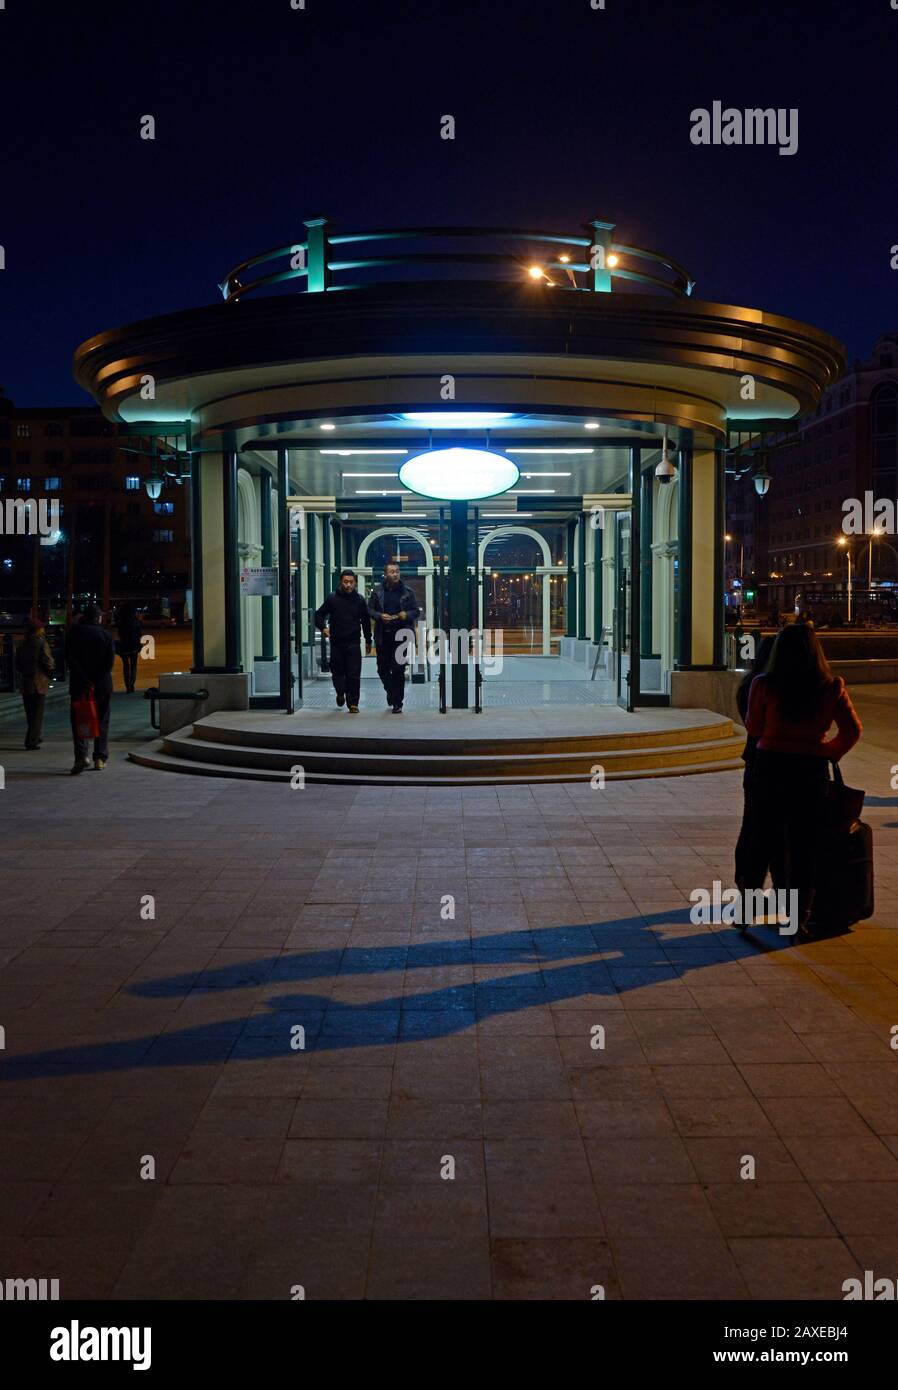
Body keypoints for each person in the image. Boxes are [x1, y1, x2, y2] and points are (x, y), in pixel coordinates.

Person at [742, 622, 862, 934]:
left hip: (770, 768)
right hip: (810, 772)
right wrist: (828, 752)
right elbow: (852, 730)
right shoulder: (831, 687)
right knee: (804, 845)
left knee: (762, 839)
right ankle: (798, 919)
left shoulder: (763, 685)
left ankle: (747, 910)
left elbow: (754, 728)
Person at [733, 634, 776, 888]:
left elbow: (751, 724)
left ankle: (746, 889)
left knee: (752, 828)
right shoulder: (769, 686)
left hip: (757, 763)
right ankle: (792, 905)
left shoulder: (750, 683)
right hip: (778, 764)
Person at [65, 604, 115, 774]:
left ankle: (81, 756)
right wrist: (96, 680)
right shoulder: (106, 635)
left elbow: (70, 660)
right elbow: (109, 663)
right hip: (102, 686)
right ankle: (99, 758)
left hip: (80, 685)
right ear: (98, 618)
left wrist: (85, 680)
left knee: (80, 720)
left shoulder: (73, 634)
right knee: (102, 720)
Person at [314, 569, 372, 713]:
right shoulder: (332, 598)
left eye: (351, 582)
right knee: (337, 671)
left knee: (354, 673)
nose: (348, 585)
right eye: (345, 582)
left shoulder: (359, 600)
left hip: (353, 641)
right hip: (337, 642)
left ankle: (353, 703)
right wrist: (323, 628)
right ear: (341, 582)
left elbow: (365, 621)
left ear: (355, 583)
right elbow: (318, 614)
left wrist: (368, 641)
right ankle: (340, 692)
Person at [368, 561, 420, 712]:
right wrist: (379, 616)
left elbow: (416, 611)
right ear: (386, 574)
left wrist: (406, 614)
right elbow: (369, 610)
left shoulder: (408, 592)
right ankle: (391, 692)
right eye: (391, 571)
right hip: (383, 636)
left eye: (397, 571)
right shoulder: (377, 591)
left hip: (401, 636)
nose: (395, 574)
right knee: (382, 670)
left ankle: (398, 703)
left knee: (398, 669)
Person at [15, 616, 55, 750]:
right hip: (39, 681)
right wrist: (50, 672)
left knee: (30, 712)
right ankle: (31, 740)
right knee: (37, 713)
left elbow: (18, 664)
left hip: (26, 682)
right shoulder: (41, 642)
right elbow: (47, 660)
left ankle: (35, 736)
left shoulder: (22, 644)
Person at [115, 602, 143, 693]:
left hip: (124, 646)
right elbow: (139, 634)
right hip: (134, 645)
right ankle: (132, 685)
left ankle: (127, 686)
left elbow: (119, 635)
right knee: (134, 665)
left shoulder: (120, 622)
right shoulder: (136, 622)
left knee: (126, 665)